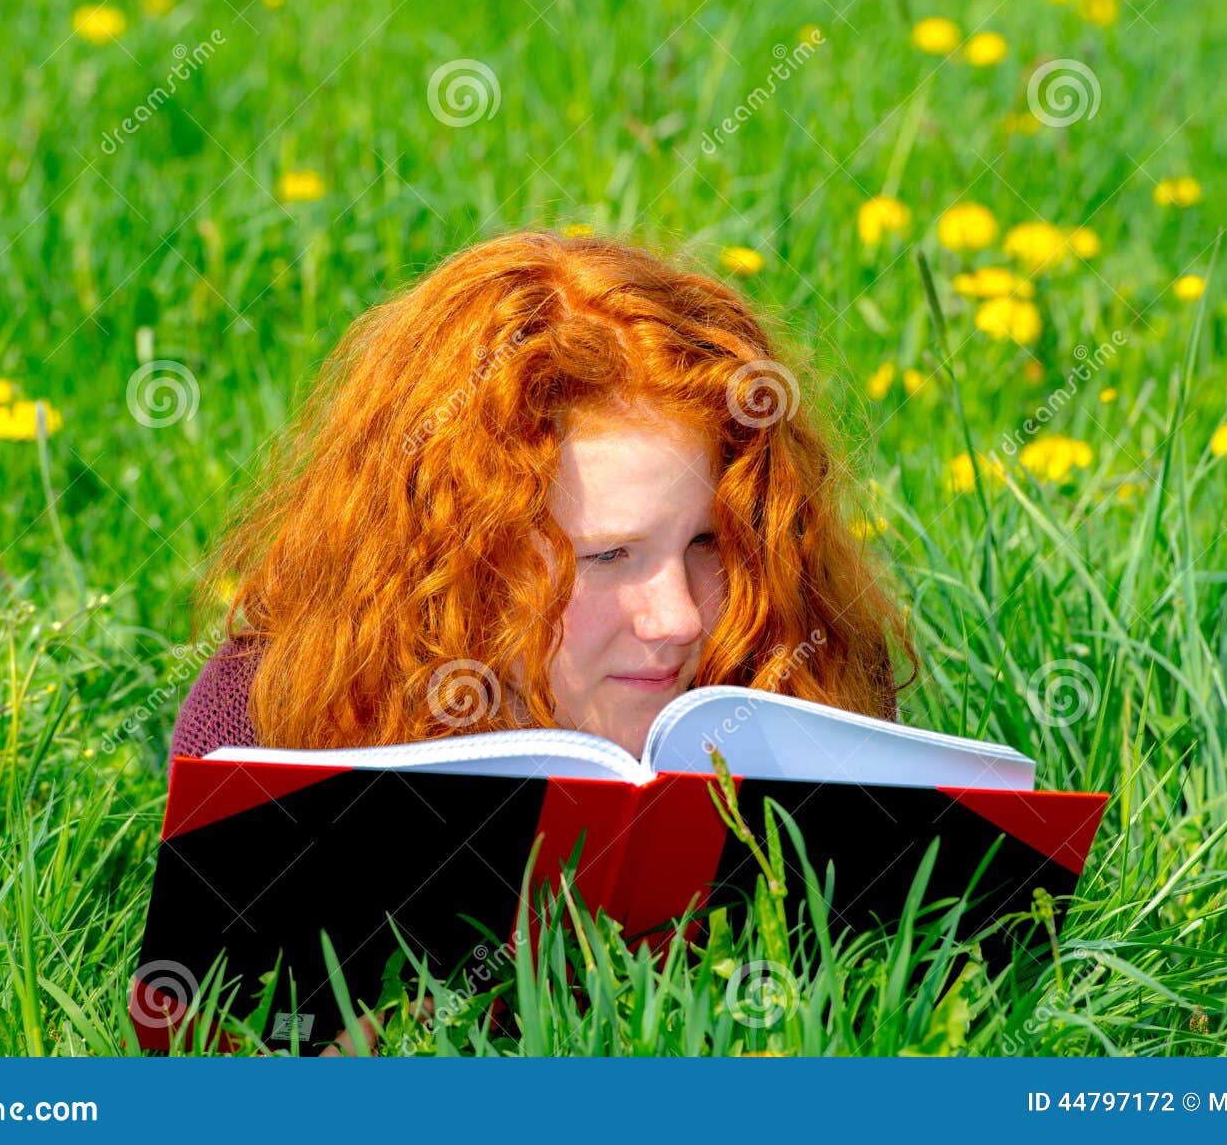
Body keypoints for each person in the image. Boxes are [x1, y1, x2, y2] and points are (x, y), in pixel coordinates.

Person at [166, 227, 918, 1052]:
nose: (679, 619)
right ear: (460, 564)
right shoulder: (265, 715)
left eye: (710, 544)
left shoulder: (801, 665)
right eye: (607, 556)